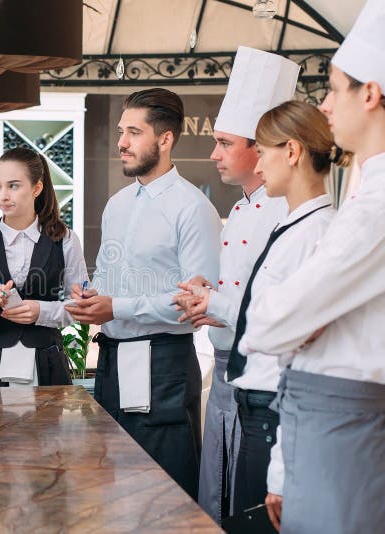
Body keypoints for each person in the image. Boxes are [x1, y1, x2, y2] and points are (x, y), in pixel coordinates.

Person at [236, 1, 385, 532]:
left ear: (370, 94)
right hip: (336, 430)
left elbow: (264, 324)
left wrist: (300, 321)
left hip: (345, 435)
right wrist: (306, 320)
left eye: (333, 88)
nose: (325, 107)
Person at [66, 88, 222, 497]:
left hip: (163, 364)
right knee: (112, 484)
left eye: (134, 132)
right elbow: (111, 279)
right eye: (121, 131)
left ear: (165, 139)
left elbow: (196, 306)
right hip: (112, 362)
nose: (120, 142)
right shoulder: (116, 205)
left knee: (163, 490)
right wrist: (90, 296)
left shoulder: (193, 208)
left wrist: (115, 306)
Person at [173, 47, 296, 523]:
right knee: (219, 499)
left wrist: (217, 300)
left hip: (262, 380)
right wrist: (210, 296)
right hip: (226, 370)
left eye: (225, 143)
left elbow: (277, 303)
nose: (214, 154)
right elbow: (241, 289)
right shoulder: (243, 207)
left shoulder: (284, 210)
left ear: (261, 149)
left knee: (247, 505)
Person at [223, 100, 345, 515]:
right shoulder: (293, 225)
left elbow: (307, 354)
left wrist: (281, 468)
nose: (257, 167)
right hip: (259, 406)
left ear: (291, 152)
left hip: (276, 412)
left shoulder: (318, 233)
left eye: (262, 151)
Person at [0, 147, 88, 387]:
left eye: (13, 186)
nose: (2, 196)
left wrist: (42, 311)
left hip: (47, 362)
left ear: (37, 188)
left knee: (47, 426)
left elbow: (79, 305)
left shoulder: (66, 239)